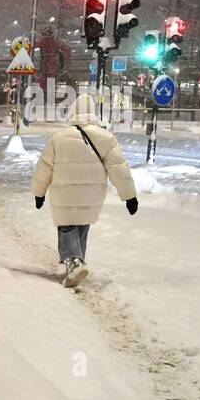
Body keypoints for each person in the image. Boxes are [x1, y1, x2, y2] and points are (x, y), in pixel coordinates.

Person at [31, 122, 138, 287]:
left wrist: (39, 193)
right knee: (82, 225)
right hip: (91, 194)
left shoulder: (59, 138)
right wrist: (129, 196)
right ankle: (77, 264)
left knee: (67, 227)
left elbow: (45, 167)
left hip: (65, 193)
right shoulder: (106, 138)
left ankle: (74, 263)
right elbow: (118, 167)